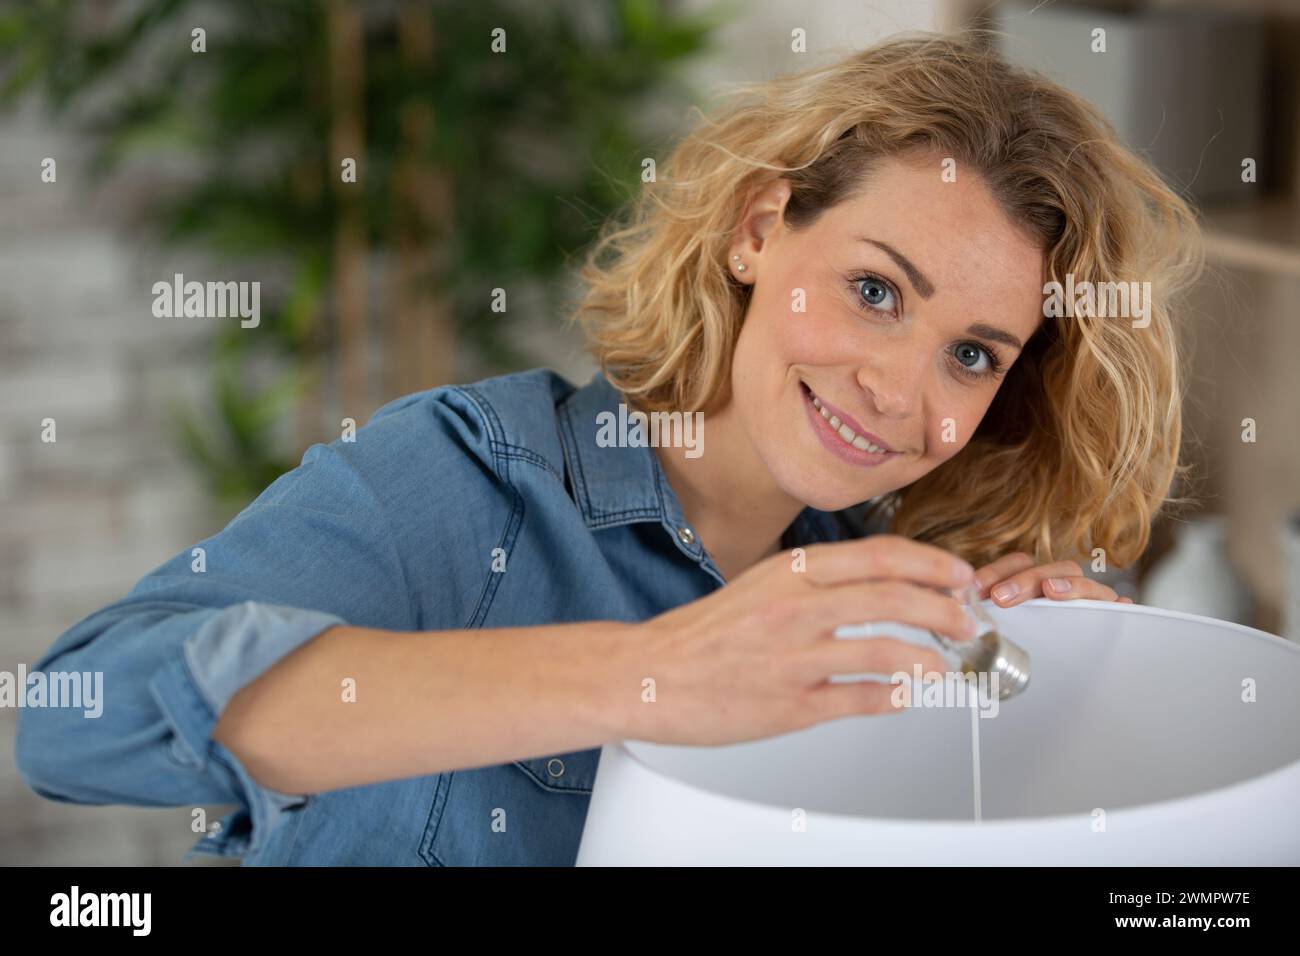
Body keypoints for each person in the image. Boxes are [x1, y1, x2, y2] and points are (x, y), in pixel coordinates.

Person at [15, 31, 1202, 865]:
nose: (900, 393)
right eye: (875, 291)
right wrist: (646, 674)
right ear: (756, 229)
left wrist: (1064, 652)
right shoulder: (466, 481)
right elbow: (73, 721)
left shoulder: (875, 575)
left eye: (974, 354)